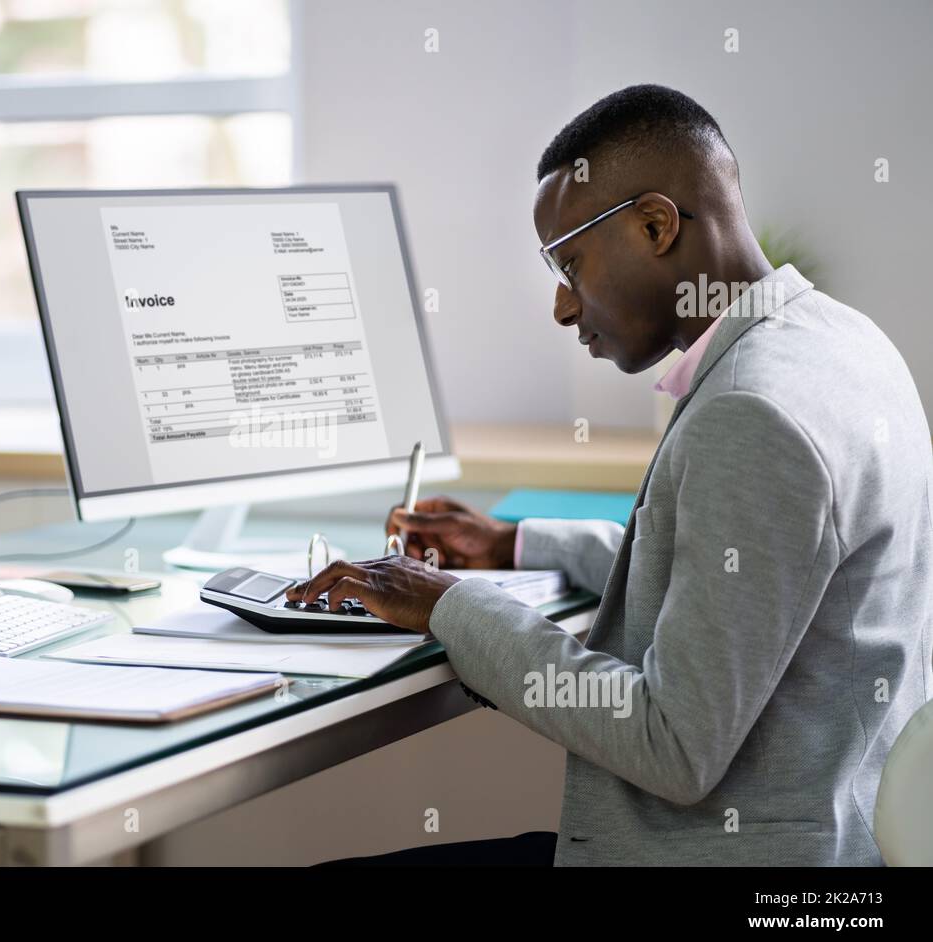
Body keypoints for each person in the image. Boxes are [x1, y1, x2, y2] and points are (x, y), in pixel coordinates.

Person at [295, 84, 933, 866]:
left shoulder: (752, 411)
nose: (565, 307)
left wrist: (452, 608)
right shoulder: (842, 343)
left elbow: (673, 745)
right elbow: (737, 576)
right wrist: (513, 545)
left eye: (571, 264)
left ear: (656, 224)